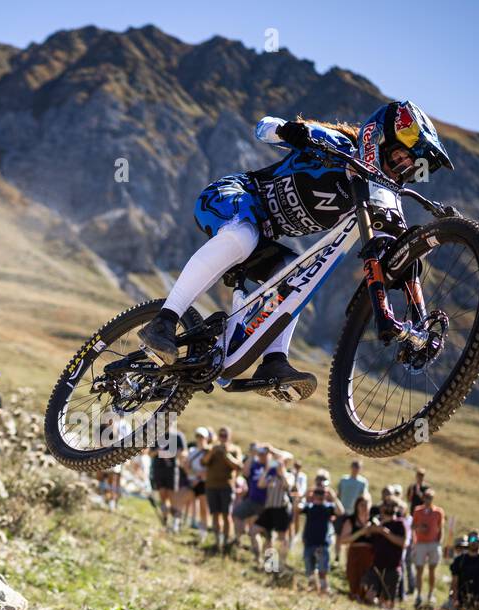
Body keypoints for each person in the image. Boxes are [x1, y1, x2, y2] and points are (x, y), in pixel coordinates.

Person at [137, 101, 454, 399]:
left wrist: (419, 310)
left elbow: (399, 248)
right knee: (243, 236)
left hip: (265, 237)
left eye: (407, 167)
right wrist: (287, 131)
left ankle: (273, 359)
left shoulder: (377, 194)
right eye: (399, 157)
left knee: (297, 276)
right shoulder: (336, 145)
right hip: (236, 195)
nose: (400, 168)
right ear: (380, 139)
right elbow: (263, 128)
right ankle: (164, 321)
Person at [360, 499, 407, 608]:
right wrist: (370, 530)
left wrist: (385, 532)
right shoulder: (376, 524)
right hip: (376, 567)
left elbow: (402, 542)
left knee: (388, 602)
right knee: (368, 594)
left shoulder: (399, 524)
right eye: (387, 505)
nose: (389, 508)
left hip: (392, 568)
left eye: (392, 506)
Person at [253, 450, 295, 569]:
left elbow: (288, 486)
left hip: (282, 509)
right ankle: (267, 562)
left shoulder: (289, 475)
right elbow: (260, 485)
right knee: (257, 531)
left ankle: (280, 564)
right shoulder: (271, 476)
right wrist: (267, 469)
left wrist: (282, 472)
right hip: (269, 509)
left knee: (281, 537)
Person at [202, 427, 242, 552]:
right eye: (221, 435)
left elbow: (238, 466)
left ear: (229, 436)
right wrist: (213, 452)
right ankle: (217, 540)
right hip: (211, 486)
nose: (223, 437)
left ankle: (226, 541)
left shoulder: (235, 449)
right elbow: (203, 462)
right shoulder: (212, 448)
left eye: (225, 435)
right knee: (215, 514)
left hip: (227, 487)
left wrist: (226, 454)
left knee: (226, 515)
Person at [300, 484, 339, 594]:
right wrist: (305, 494)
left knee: (323, 570)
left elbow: (341, 511)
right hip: (309, 543)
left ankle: (324, 588)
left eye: (322, 492)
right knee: (309, 569)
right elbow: (296, 509)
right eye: (317, 492)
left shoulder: (329, 508)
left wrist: (334, 497)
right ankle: (313, 587)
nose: (319, 495)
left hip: (322, 544)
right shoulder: (309, 507)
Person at [410, 487, 444, 609]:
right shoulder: (417, 511)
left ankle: (430, 594)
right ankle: (418, 594)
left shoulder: (438, 512)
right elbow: (413, 526)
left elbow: (441, 528)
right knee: (419, 570)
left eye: (430, 498)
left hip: (433, 544)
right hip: (420, 543)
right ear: (423, 498)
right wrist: (419, 528)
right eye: (426, 497)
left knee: (431, 570)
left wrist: (438, 542)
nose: (428, 500)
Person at [338, 494, 375, 599]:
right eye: (361, 505)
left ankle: (366, 598)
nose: (364, 508)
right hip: (355, 554)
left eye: (366, 505)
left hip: (370, 556)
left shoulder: (374, 521)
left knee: (367, 580)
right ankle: (354, 596)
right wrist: (360, 533)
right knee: (354, 577)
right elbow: (343, 540)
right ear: (357, 506)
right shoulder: (351, 521)